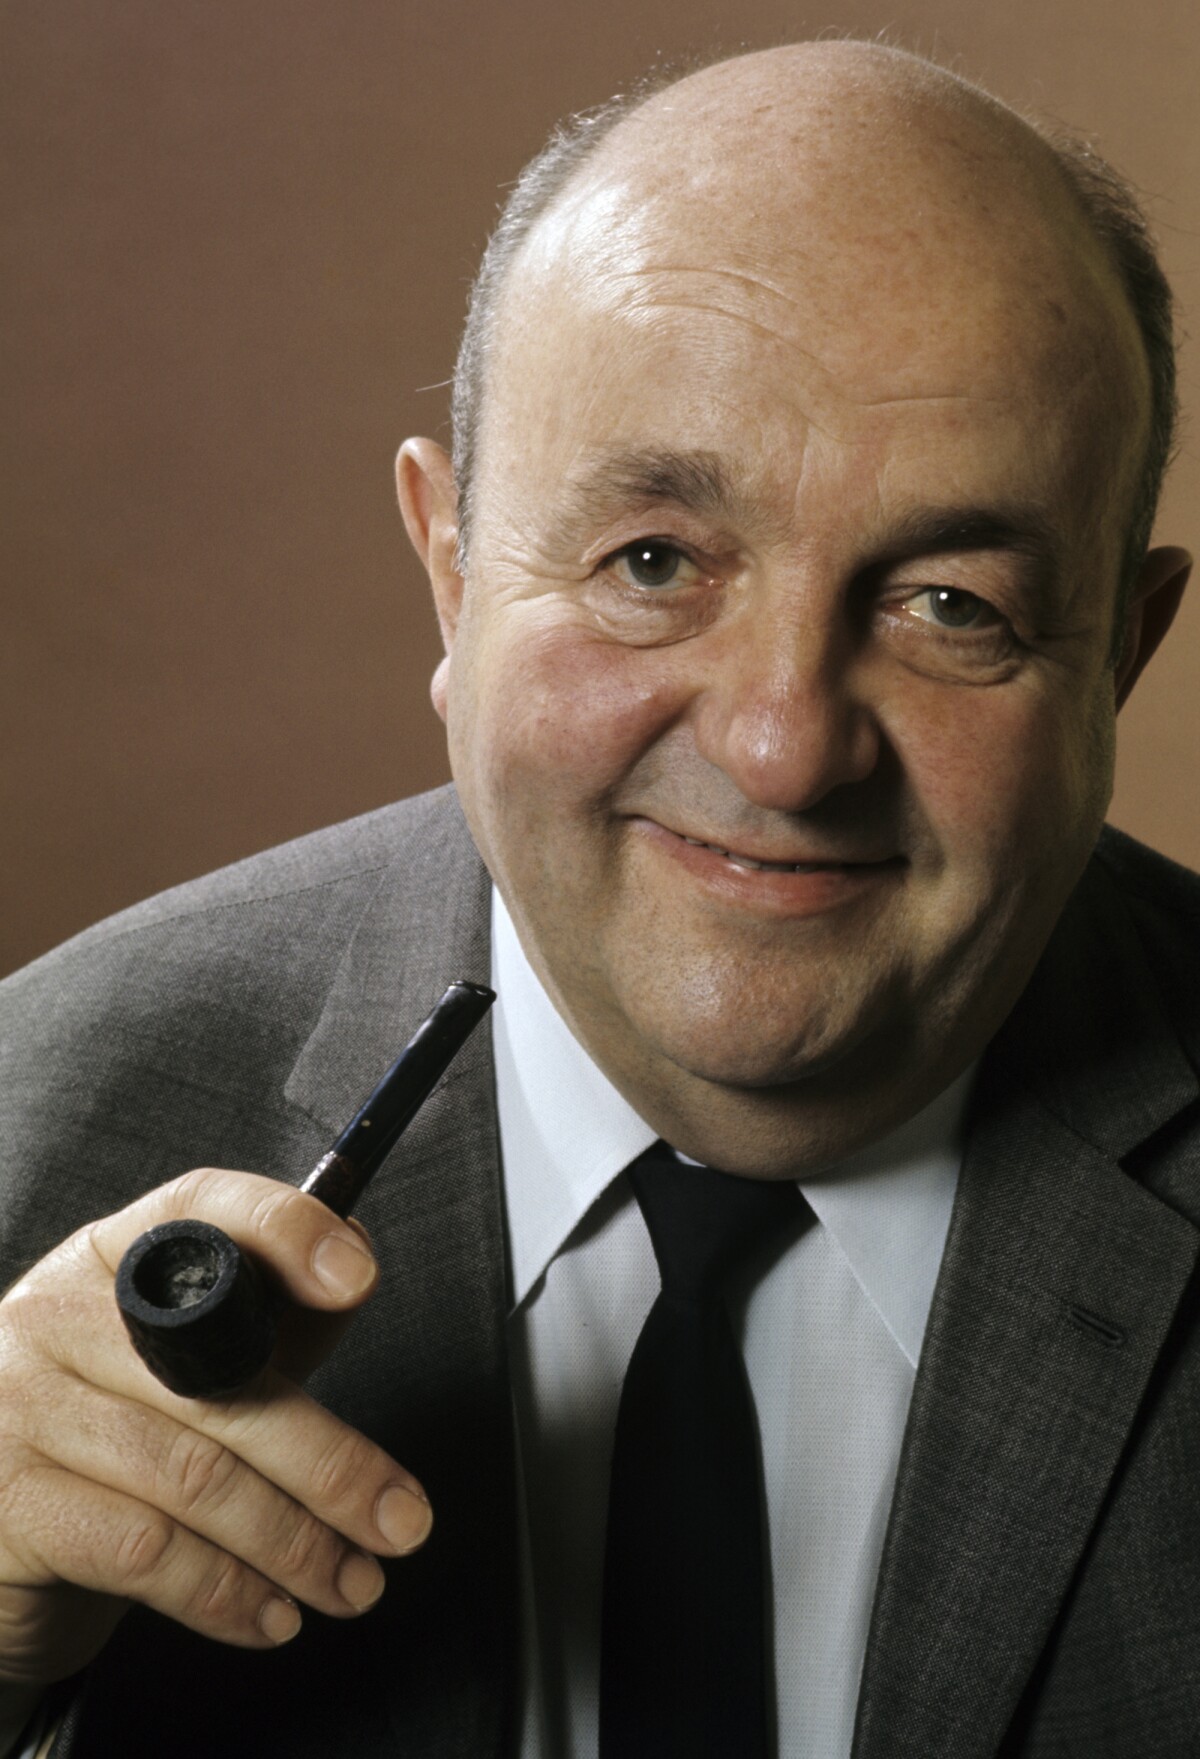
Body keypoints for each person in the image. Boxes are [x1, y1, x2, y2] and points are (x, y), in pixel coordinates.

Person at [0, 37, 1196, 1759]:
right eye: (653, 564)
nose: (786, 747)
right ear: (453, 574)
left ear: (1123, 654)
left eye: (950, 603)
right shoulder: (38, 1123)